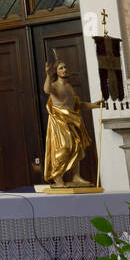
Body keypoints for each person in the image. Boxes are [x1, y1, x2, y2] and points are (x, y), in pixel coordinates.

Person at [42, 59, 103, 187]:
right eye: (60, 68)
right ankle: (57, 177)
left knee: (78, 148)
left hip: (73, 120)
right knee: (65, 148)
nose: (64, 70)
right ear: (56, 72)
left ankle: (76, 176)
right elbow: (47, 90)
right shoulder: (54, 86)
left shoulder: (69, 87)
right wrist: (48, 75)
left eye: (65, 67)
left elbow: (78, 105)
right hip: (60, 121)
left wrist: (95, 105)